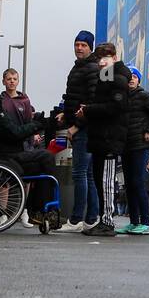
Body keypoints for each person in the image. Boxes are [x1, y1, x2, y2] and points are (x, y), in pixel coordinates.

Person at [0, 65, 55, 226]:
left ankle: (38, 210)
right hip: (2, 156)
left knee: (41, 158)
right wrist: (37, 124)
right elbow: (13, 132)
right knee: (46, 156)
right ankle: (42, 211)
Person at [77, 42, 131, 237]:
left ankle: (107, 222)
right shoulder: (107, 75)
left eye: (105, 58)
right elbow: (105, 103)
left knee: (106, 182)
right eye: (99, 58)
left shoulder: (117, 77)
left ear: (114, 58)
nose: (101, 62)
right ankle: (103, 219)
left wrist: (89, 110)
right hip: (102, 136)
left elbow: (116, 107)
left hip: (109, 137)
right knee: (100, 181)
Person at [58, 31, 101, 233]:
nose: (79, 48)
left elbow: (92, 102)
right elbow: (75, 98)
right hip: (83, 127)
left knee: (79, 174)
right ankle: (91, 218)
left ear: (90, 47)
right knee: (88, 176)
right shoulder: (79, 67)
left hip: (85, 129)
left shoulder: (92, 68)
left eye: (83, 45)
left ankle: (75, 220)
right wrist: (65, 116)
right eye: (76, 44)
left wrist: (76, 126)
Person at [119, 67, 149, 235]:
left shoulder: (144, 96)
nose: (131, 79)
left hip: (140, 146)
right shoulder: (121, 98)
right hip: (125, 147)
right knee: (130, 186)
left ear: (139, 80)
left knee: (139, 183)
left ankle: (145, 223)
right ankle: (133, 222)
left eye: (134, 77)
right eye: (129, 77)